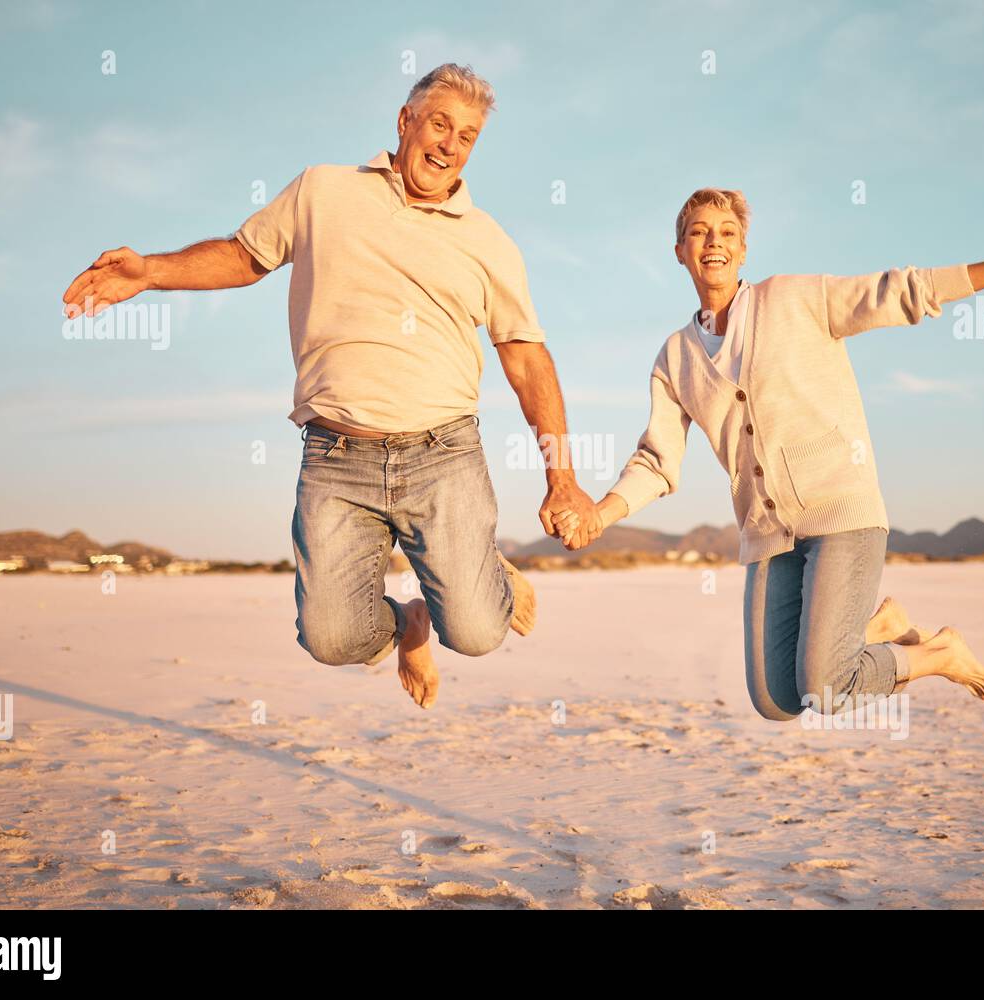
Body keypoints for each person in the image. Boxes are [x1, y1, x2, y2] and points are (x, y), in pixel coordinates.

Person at [61, 64, 599, 710]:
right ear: (405, 124)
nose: (449, 144)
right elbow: (243, 255)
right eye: (439, 124)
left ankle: (473, 574)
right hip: (336, 456)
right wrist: (150, 272)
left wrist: (560, 476)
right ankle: (409, 623)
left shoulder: (488, 242)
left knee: (481, 632)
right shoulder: (324, 191)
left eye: (468, 136)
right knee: (328, 637)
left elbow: (527, 359)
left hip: (443, 454)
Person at [555, 188, 984, 720]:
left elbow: (899, 291)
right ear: (679, 250)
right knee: (776, 701)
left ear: (744, 250)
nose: (714, 243)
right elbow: (657, 460)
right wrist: (600, 513)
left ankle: (934, 654)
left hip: (842, 512)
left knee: (825, 686)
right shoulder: (675, 356)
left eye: (727, 233)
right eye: (699, 232)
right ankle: (871, 629)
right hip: (770, 534)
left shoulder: (795, 298)